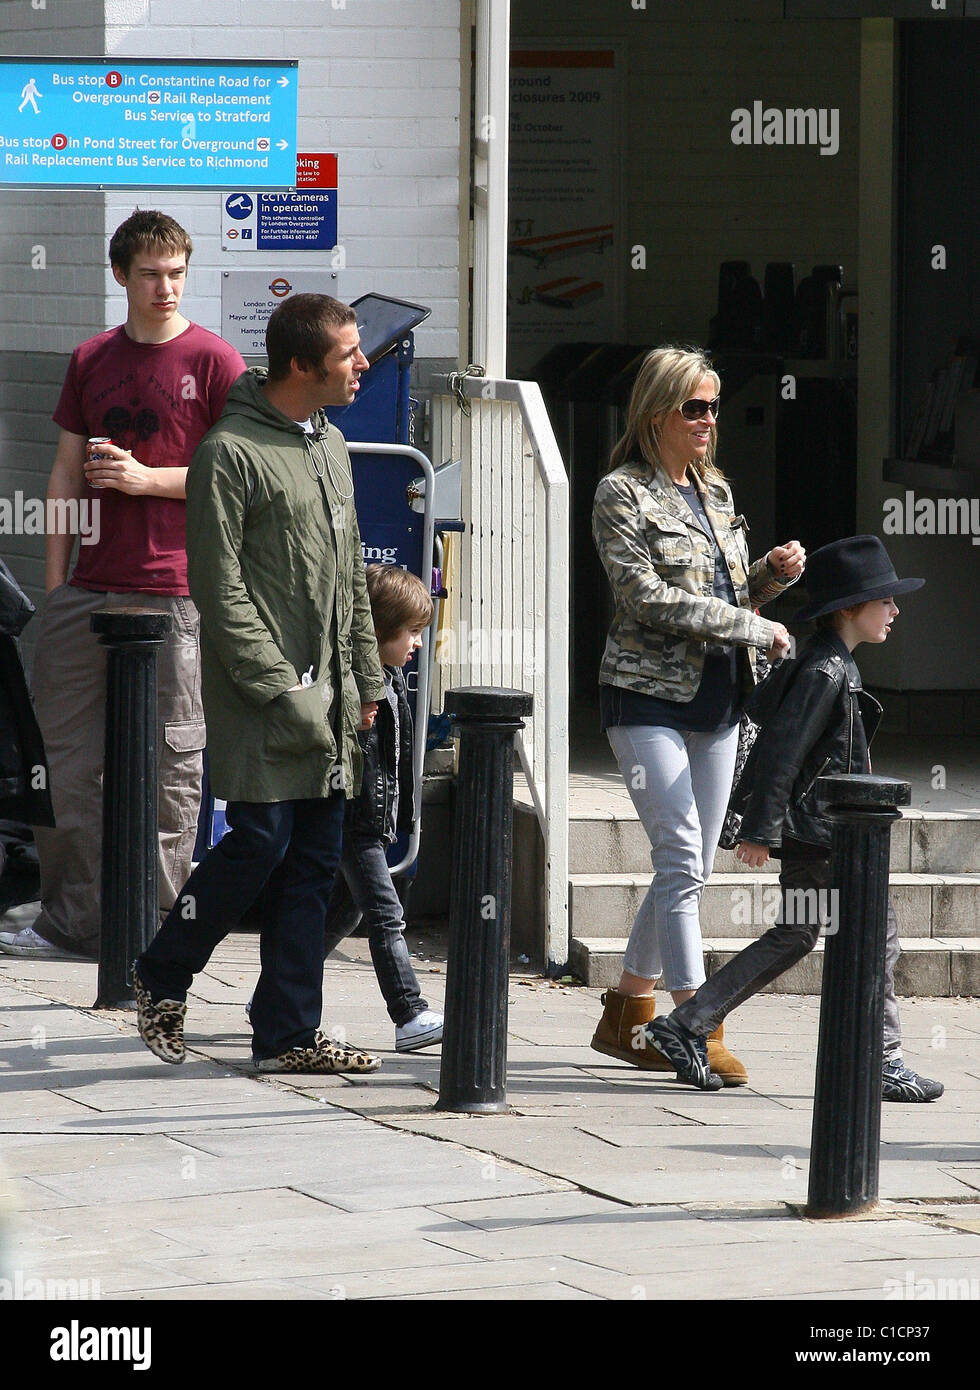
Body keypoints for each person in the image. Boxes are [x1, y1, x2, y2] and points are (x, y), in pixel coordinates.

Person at [133, 293, 388, 1074]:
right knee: (260, 840)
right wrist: (281, 686)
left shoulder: (333, 446)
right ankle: (163, 971)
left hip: (336, 694)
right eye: (350, 354)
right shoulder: (230, 451)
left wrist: (368, 678)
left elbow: (350, 574)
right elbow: (220, 588)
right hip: (263, 696)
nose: (364, 364)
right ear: (302, 365)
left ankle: (287, 1033)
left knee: (313, 858)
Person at [0, 210, 246, 963]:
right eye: (150, 273)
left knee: (169, 769)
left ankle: (147, 928)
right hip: (88, 591)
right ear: (121, 277)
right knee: (64, 764)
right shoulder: (92, 358)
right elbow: (65, 470)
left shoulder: (215, 360)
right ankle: (70, 921)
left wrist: (146, 479)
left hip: (176, 592)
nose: (165, 287)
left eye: (176, 272)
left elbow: (233, 476)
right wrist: (54, 587)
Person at [648, 535, 944, 1102]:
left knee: (800, 933)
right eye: (885, 600)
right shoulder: (826, 671)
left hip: (825, 834)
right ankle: (879, 1059)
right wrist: (760, 829)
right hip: (826, 836)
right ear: (849, 609)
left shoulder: (830, 663)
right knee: (874, 935)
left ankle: (686, 1024)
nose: (895, 610)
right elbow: (783, 747)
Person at [589, 345, 803, 1087]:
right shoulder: (622, 493)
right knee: (681, 858)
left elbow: (728, 599)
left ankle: (627, 1013)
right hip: (644, 698)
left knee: (686, 865)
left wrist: (766, 581)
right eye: (695, 407)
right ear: (657, 413)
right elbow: (646, 598)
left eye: (713, 405)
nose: (710, 419)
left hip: (718, 702)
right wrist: (752, 626)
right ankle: (694, 1024)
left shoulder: (713, 491)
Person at [320, 563, 444, 1053]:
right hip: (357, 822)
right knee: (386, 916)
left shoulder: (391, 680)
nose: (417, 643)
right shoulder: (360, 686)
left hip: (372, 820)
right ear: (376, 630)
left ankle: (278, 993)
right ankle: (408, 1013)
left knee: (340, 917)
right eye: (410, 632)